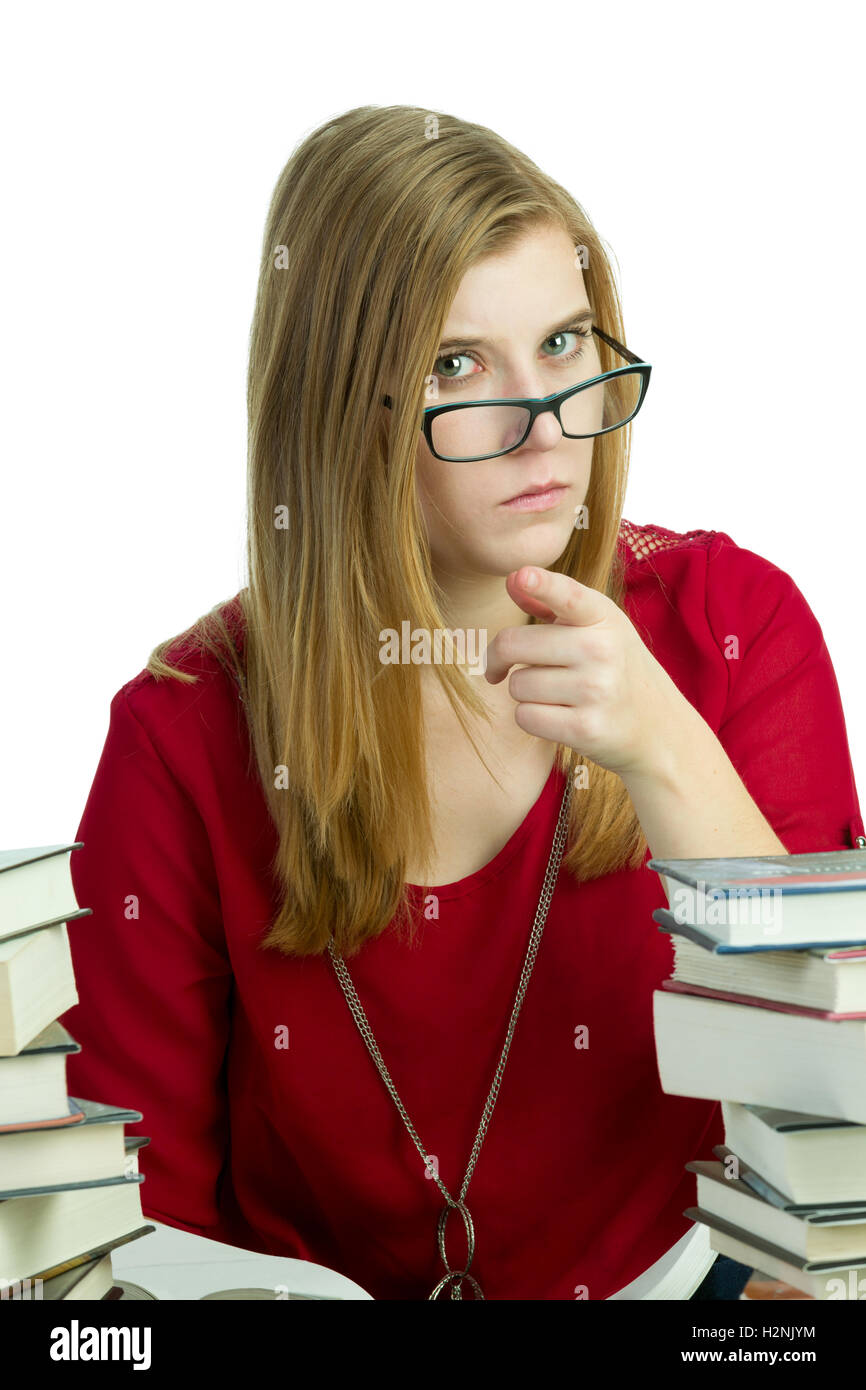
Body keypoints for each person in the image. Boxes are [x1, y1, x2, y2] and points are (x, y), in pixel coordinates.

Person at [60, 104, 864, 1301]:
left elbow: (835, 1132)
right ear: (343, 408)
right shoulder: (180, 734)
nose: (540, 420)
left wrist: (667, 755)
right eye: (454, 365)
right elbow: (116, 1236)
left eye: (562, 345)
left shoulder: (728, 626)